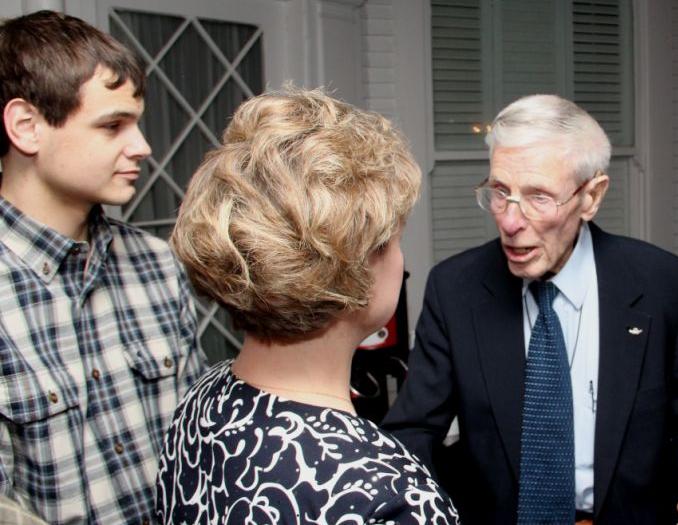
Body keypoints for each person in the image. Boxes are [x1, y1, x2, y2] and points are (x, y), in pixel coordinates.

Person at [382, 94, 678, 524]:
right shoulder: (456, 289)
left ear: (591, 197)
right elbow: (412, 433)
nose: (509, 221)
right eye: (500, 192)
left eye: (538, 197)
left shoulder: (669, 289)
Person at [156, 88, 460, 524]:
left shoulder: (203, 400)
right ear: (359, 270)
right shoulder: (388, 497)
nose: (401, 258)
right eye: (395, 239)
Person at [0, 10, 206, 524]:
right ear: (27, 126)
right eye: (113, 125)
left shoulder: (157, 265)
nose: (142, 147)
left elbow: (200, 443)